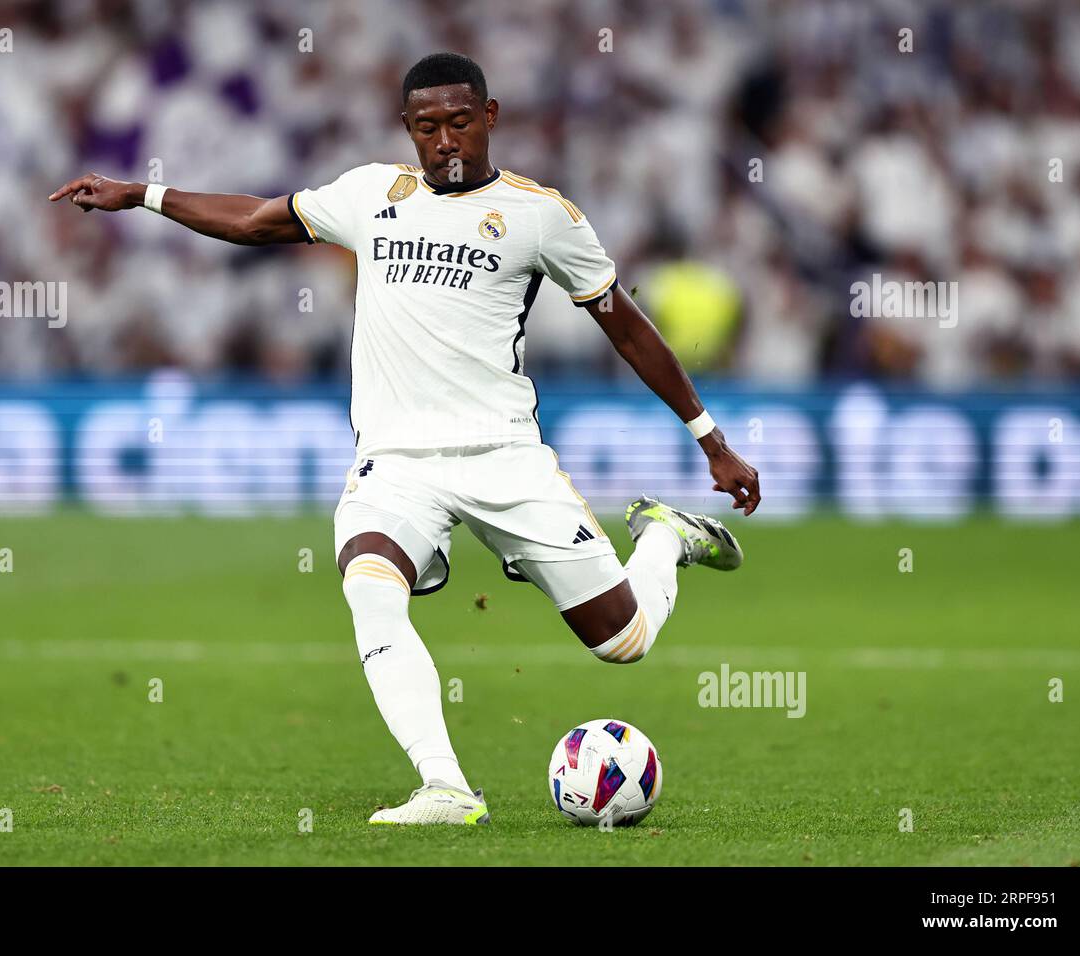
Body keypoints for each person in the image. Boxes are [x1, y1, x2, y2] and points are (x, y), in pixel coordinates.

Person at [49, 52, 761, 826]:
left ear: (489, 118)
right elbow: (255, 221)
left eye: (460, 121)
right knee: (369, 588)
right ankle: (447, 788)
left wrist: (710, 438)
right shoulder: (370, 194)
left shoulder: (540, 214)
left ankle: (664, 538)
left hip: (503, 457)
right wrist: (142, 195)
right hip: (394, 465)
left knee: (622, 643)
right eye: (428, 126)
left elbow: (625, 326)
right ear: (407, 129)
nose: (446, 140)